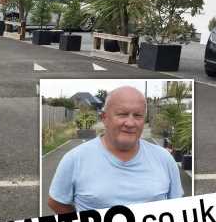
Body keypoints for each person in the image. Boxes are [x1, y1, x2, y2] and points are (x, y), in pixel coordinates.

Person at [48, 86, 184, 214]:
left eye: (138, 115)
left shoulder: (164, 159)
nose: (130, 123)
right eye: (122, 114)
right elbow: (56, 202)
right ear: (104, 118)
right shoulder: (75, 159)